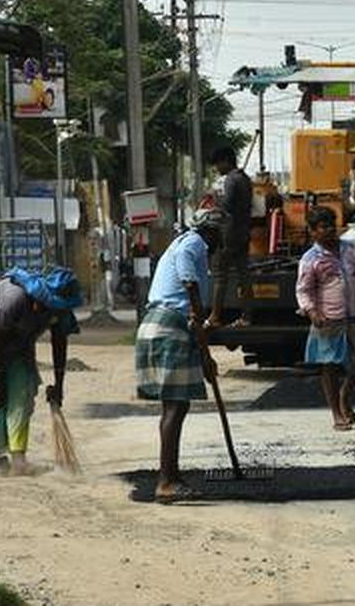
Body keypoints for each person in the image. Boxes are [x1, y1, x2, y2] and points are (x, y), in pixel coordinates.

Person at [135, 209, 224, 503]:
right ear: (211, 231)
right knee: (175, 407)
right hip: (168, 328)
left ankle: (170, 476)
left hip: (157, 326)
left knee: (175, 406)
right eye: (219, 232)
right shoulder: (194, 243)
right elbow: (188, 281)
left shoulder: (185, 242)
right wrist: (198, 308)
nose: (221, 238)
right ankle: (166, 481)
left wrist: (205, 356)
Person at [0, 267, 82, 476]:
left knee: (21, 395)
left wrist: (59, 386)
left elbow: (59, 342)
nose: (54, 315)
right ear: (40, 300)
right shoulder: (14, 298)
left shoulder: (60, 312)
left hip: (17, 345)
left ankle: (19, 460)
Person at [296, 206, 355, 432]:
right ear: (313, 231)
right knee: (330, 368)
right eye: (323, 227)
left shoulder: (350, 250)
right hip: (328, 319)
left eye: (332, 225)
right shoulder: (310, 259)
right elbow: (303, 290)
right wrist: (312, 312)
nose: (330, 230)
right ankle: (336, 413)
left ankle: (345, 395)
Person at [207, 146, 253, 329]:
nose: (217, 168)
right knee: (244, 276)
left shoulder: (231, 180)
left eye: (218, 164)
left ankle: (215, 316)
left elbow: (225, 206)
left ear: (226, 160)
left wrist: (214, 199)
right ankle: (247, 317)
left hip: (228, 235)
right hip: (243, 233)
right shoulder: (245, 179)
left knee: (220, 276)